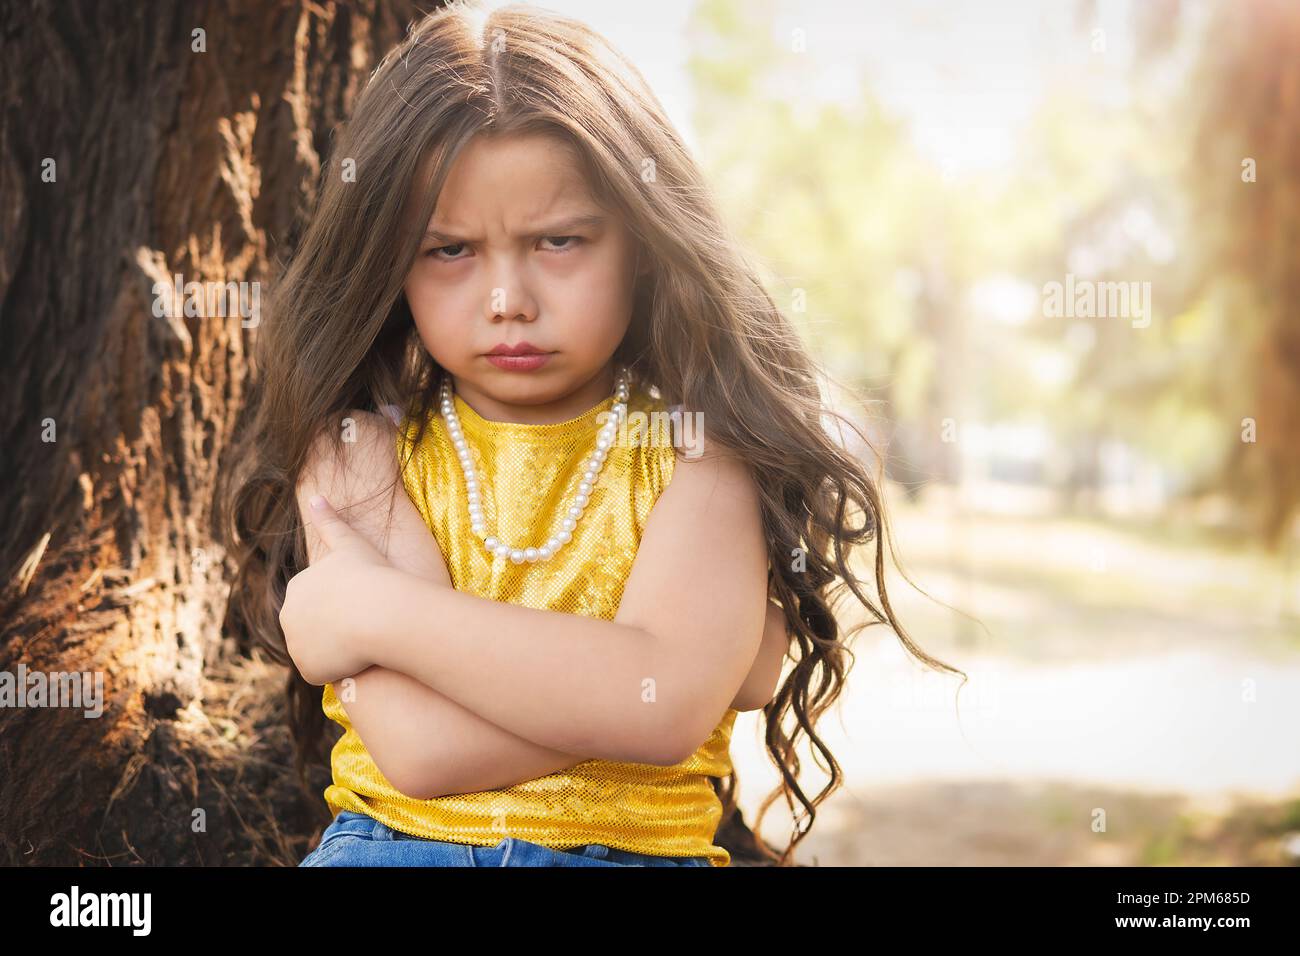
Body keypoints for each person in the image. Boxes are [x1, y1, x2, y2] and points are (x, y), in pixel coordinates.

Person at [218, 0, 964, 869]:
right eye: (450, 250)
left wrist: (374, 611)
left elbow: (666, 705)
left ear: (643, 244)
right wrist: (671, 675)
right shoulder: (362, 454)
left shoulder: (698, 456)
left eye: (559, 240)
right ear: (391, 261)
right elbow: (422, 750)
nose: (508, 299)